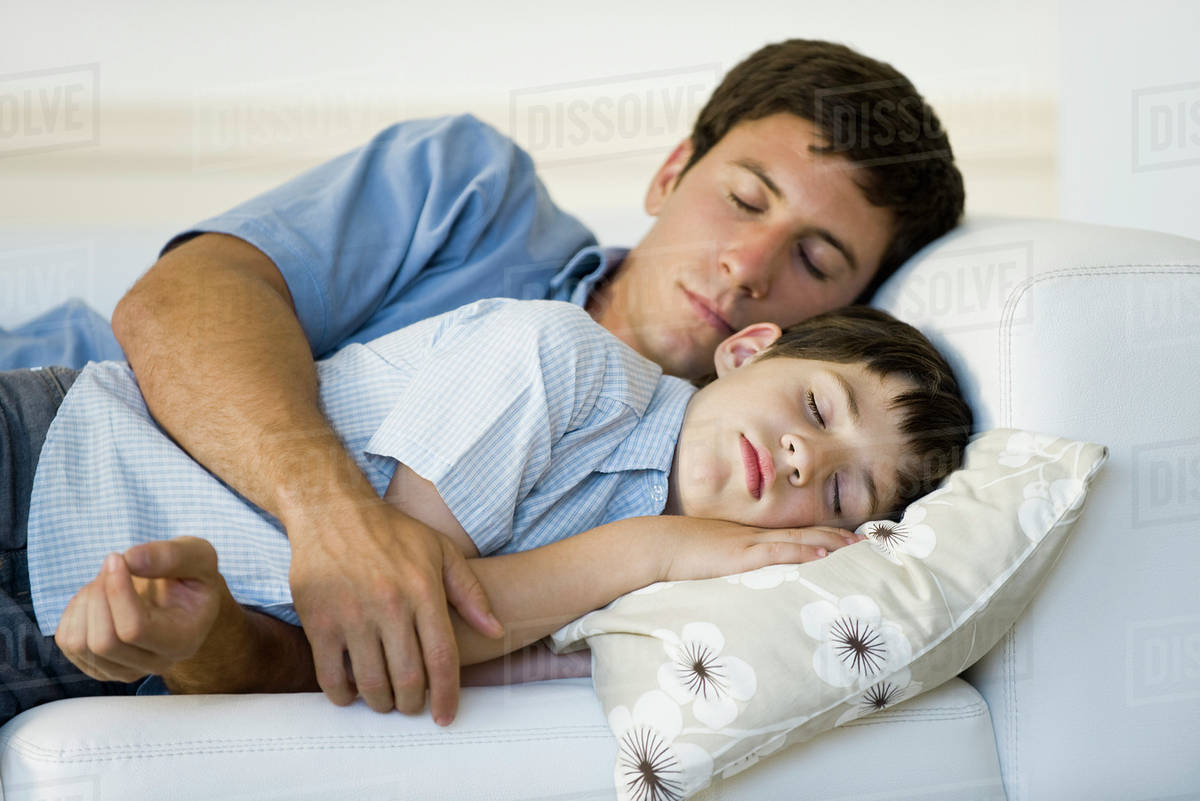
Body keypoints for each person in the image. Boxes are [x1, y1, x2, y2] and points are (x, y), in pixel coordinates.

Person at [0, 39, 966, 723]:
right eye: (744, 198)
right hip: (55, 442)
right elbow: (177, 303)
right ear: (672, 171)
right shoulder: (477, 203)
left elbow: (349, 657)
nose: (749, 262)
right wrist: (340, 519)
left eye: (819, 257)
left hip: (113, 611)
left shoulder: (707, 531)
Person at [1, 298, 971, 725]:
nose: (806, 458)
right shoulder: (567, 366)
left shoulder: (679, 599)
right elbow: (385, 610)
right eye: (814, 409)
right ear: (748, 350)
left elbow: (379, 672)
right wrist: (655, 547)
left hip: (115, 635)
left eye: (839, 490)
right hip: (54, 466)